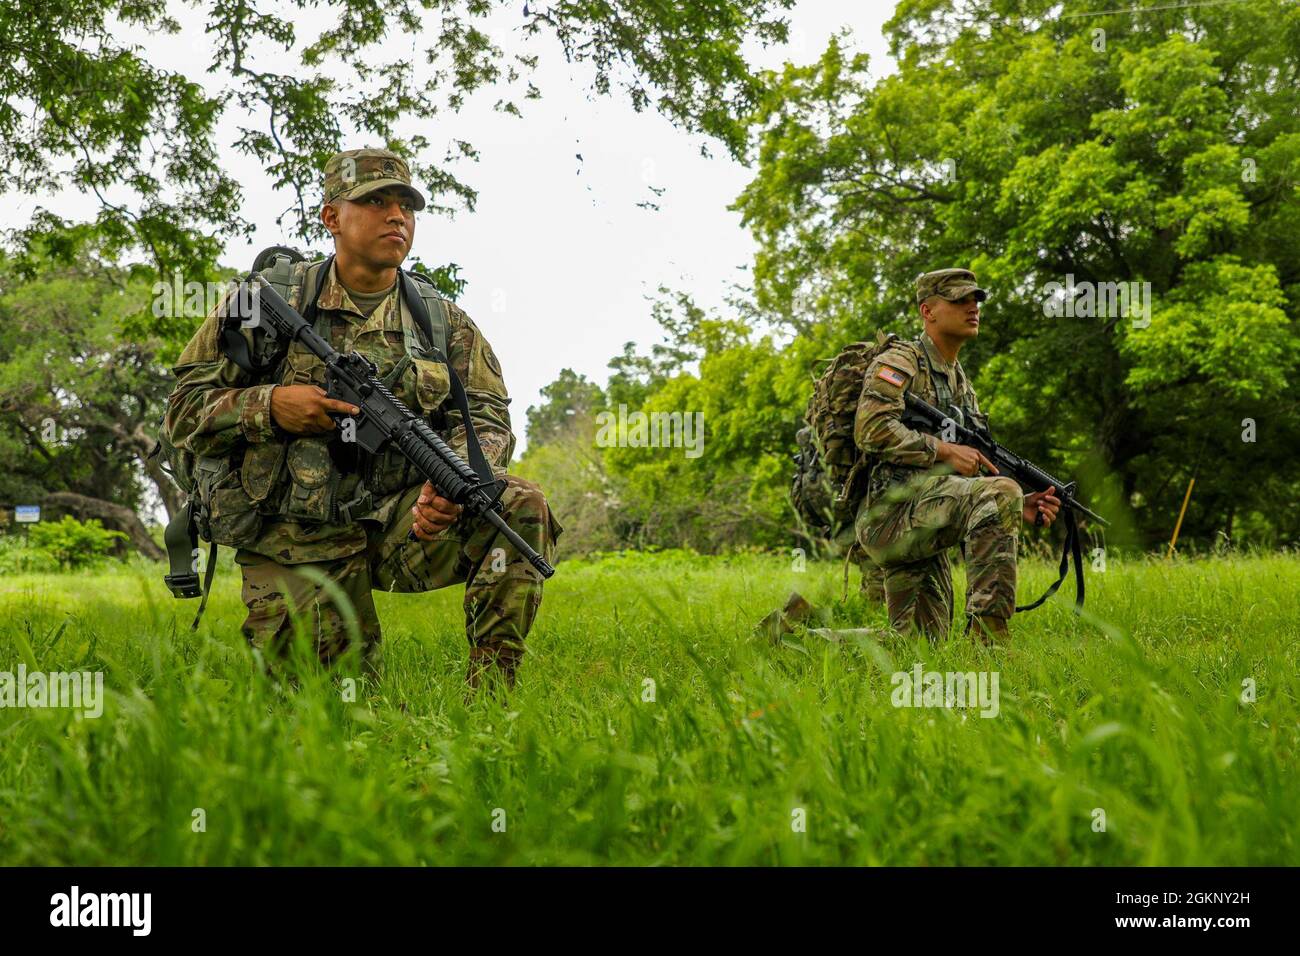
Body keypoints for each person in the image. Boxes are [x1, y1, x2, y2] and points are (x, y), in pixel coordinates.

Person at [163, 147, 560, 687]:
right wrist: (271, 407)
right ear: (332, 217)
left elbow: (488, 419)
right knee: (332, 710)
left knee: (517, 505)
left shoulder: (440, 321)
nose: (396, 216)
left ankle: (491, 698)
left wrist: (456, 485)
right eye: (375, 202)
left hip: (398, 524)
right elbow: (183, 413)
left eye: (406, 205)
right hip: (292, 534)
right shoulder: (263, 303)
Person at [853, 268, 1060, 642]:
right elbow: (871, 429)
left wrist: (1019, 503)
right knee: (1000, 493)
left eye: (975, 300)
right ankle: (989, 641)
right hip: (890, 516)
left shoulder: (959, 381)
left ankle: (792, 634)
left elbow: (976, 470)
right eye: (959, 300)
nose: (972, 308)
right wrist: (945, 451)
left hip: (927, 515)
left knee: (916, 647)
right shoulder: (901, 361)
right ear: (927, 311)